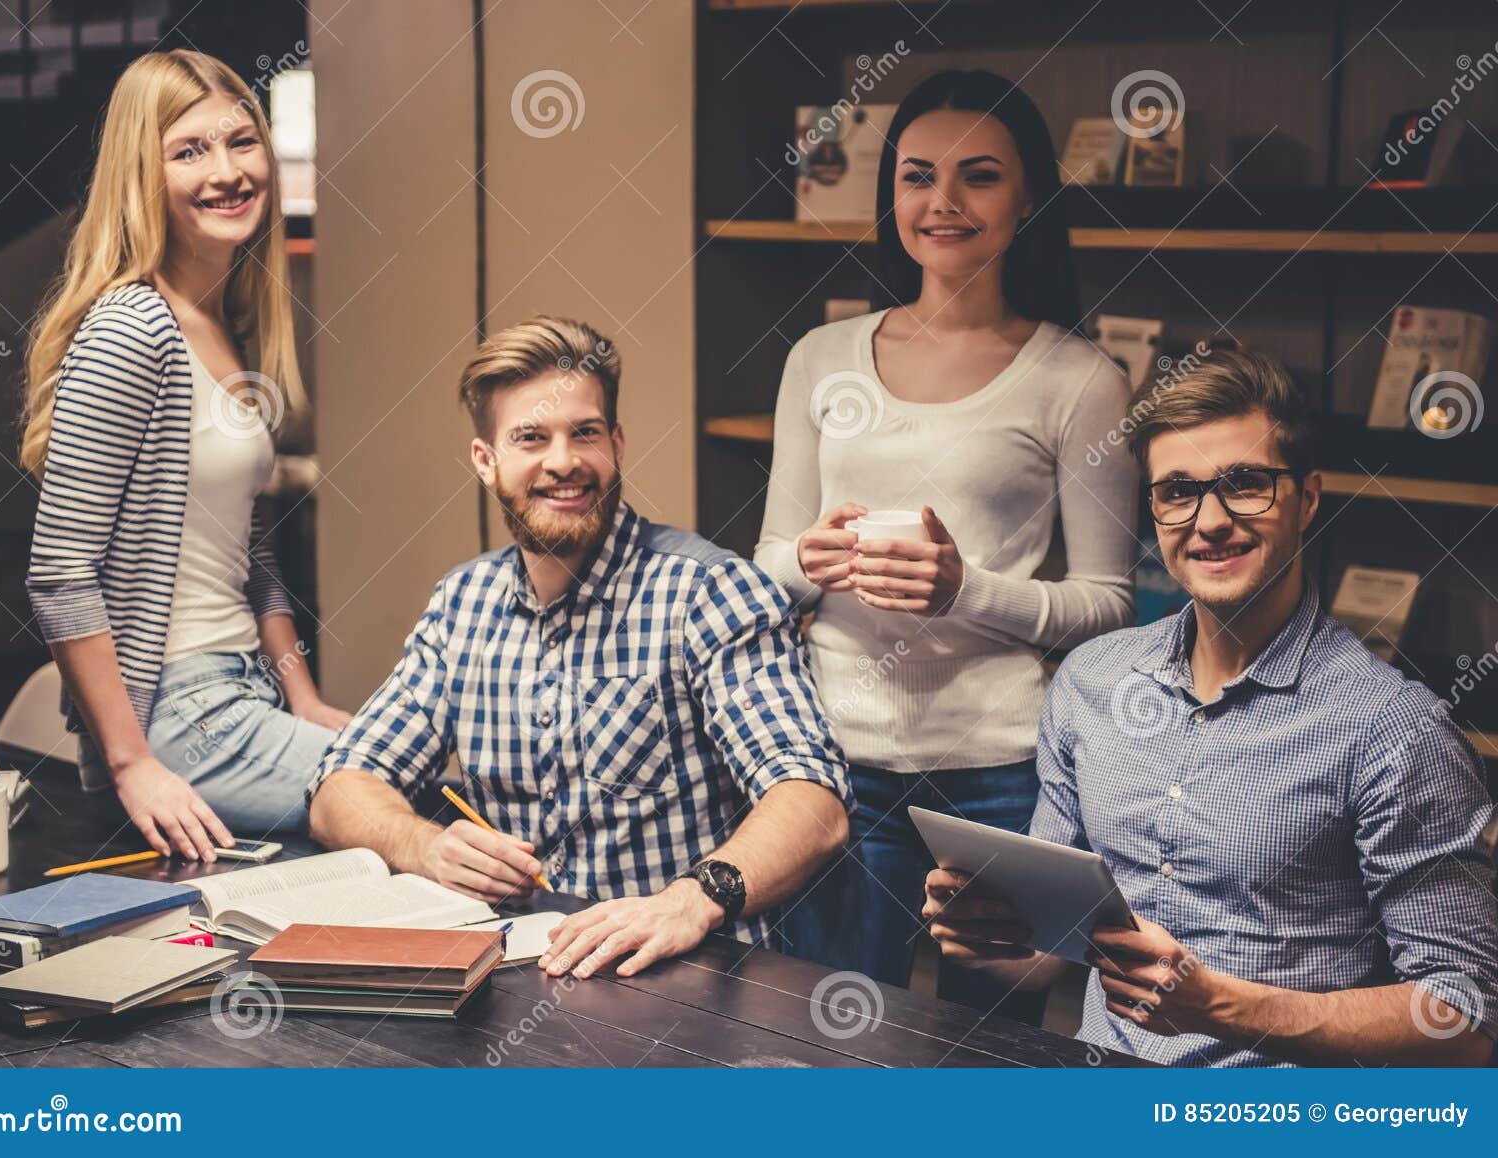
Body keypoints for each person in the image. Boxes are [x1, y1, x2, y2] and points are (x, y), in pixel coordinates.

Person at [925, 349, 1498, 1066]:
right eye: (1177, 491)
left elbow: (1465, 1016)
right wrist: (991, 937)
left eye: (1246, 484)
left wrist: (1222, 1008)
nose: (1211, 520)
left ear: (1308, 498)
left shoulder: (1395, 731)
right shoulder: (1090, 682)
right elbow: (1048, 958)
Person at [307, 317, 852, 979]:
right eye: (531, 438)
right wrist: (424, 845)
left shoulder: (709, 592)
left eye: (584, 433)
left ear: (617, 445)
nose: (562, 461)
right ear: (487, 461)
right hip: (519, 978)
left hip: (689, 978)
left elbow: (812, 800)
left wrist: (692, 900)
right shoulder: (462, 605)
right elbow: (340, 786)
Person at [754, 69, 1137, 994]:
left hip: (997, 771)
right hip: (832, 754)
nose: (944, 202)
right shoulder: (821, 357)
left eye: (981, 176)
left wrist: (967, 589)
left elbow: (1111, 607)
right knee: (824, 1033)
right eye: (918, 175)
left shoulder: (1081, 380)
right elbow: (765, 566)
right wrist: (807, 561)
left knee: (988, 1048)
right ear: (892, 197)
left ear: (1030, 195)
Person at [22, 51, 352, 859]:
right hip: (173, 713)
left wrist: (301, 697)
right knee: (395, 790)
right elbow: (59, 568)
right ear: (143, 174)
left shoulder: (228, 322)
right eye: (190, 151)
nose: (229, 172)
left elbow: (249, 547)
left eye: (242, 142)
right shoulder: (134, 329)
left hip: (243, 689)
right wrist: (131, 762)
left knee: (416, 778)